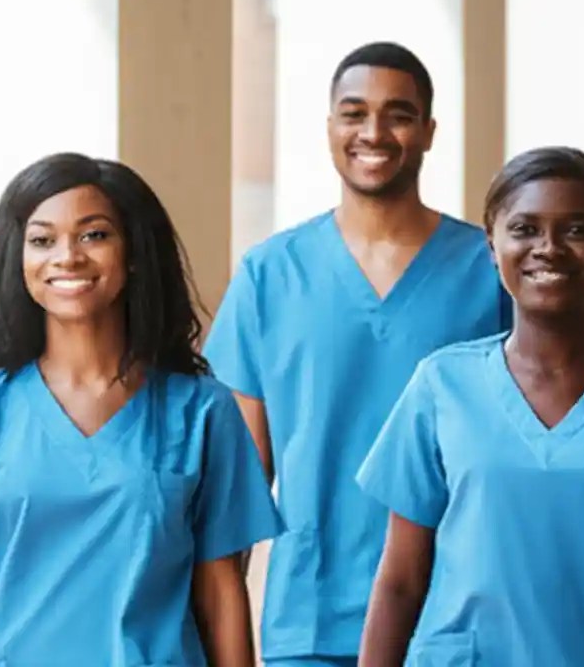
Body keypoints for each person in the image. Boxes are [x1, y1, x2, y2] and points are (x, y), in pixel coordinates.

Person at [204, 41, 511, 666]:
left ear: (428, 131)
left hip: (455, 622)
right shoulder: (271, 274)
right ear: (329, 128)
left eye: (398, 113)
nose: (373, 131)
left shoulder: (489, 272)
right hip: (310, 621)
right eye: (353, 112)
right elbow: (238, 482)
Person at [0, 153, 281, 666]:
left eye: (94, 235)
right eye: (43, 240)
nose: (67, 256)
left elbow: (221, 595)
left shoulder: (201, 412)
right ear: (18, 260)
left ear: (133, 252)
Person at [355, 147, 584, 666]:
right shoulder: (442, 385)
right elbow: (399, 578)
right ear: (492, 245)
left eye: (576, 230)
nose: (547, 248)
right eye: (524, 229)